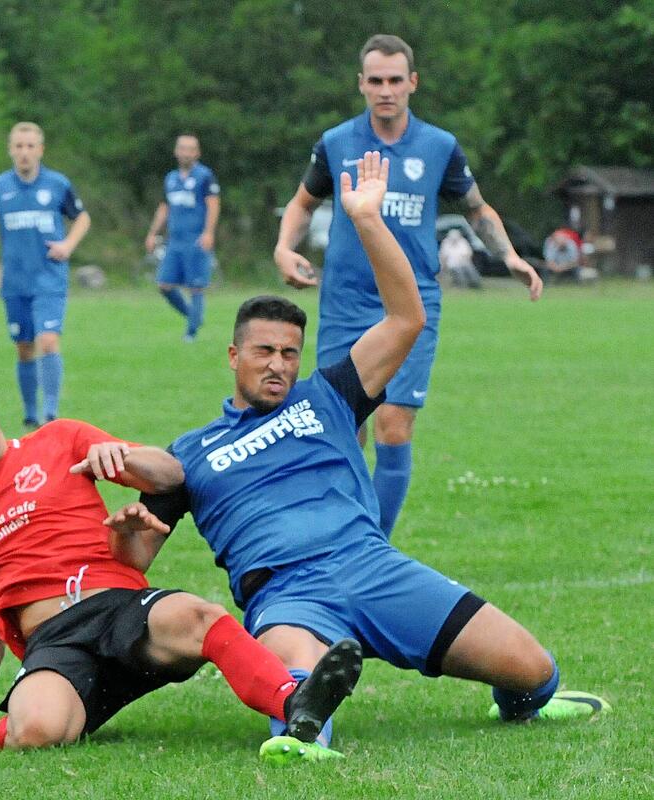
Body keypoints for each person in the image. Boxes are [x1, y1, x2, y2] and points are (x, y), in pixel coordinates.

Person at [112, 152, 608, 753]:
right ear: (233, 356)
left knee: (534, 670)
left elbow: (407, 317)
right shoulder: (187, 455)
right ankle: (304, 723)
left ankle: (523, 698)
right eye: (263, 350)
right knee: (298, 683)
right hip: (288, 594)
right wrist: (124, 533)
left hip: (371, 566)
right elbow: (131, 563)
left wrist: (368, 220)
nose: (277, 364)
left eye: (289, 353)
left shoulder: (330, 395)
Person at [0, 331, 361, 763]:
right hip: (56, 642)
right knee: (36, 732)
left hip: (120, 609)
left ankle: (296, 705)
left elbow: (172, 475)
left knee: (200, 615)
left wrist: (121, 455)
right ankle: (20, 717)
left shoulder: (60, 439)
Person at [274, 34, 544, 538]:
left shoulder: (439, 147)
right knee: (342, 429)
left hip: (412, 306)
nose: (386, 90)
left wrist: (508, 255)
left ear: (412, 83)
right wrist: (285, 247)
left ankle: (372, 546)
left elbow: (477, 209)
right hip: (346, 305)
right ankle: (339, 538)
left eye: (395, 80)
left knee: (393, 424)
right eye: (375, 80)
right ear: (361, 84)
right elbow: (302, 204)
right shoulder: (336, 144)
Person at [0, 122, 91, 429]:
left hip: (49, 279)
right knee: (24, 347)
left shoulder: (57, 184)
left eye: (30, 146)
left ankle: (50, 411)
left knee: (47, 340)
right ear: (11, 150)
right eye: (18, 146)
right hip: (16, 282)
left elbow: (82, 218)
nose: (24, 152)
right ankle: (30, 413)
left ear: (40, 150)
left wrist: (67, 244)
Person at [145, 134, 220, 342]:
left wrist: (209, 232)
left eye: (190, 149)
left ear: (197, 153)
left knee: (195, 286)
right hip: (174, 241)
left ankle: (191, 333)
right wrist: (153, 233)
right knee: (164, 285)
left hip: (196, 239)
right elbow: (164, 207)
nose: (186, 153)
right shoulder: (171, 178)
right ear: (176, 151)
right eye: (182, 148)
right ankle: (193, 316)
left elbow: (213, 204)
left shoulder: (205, 176)